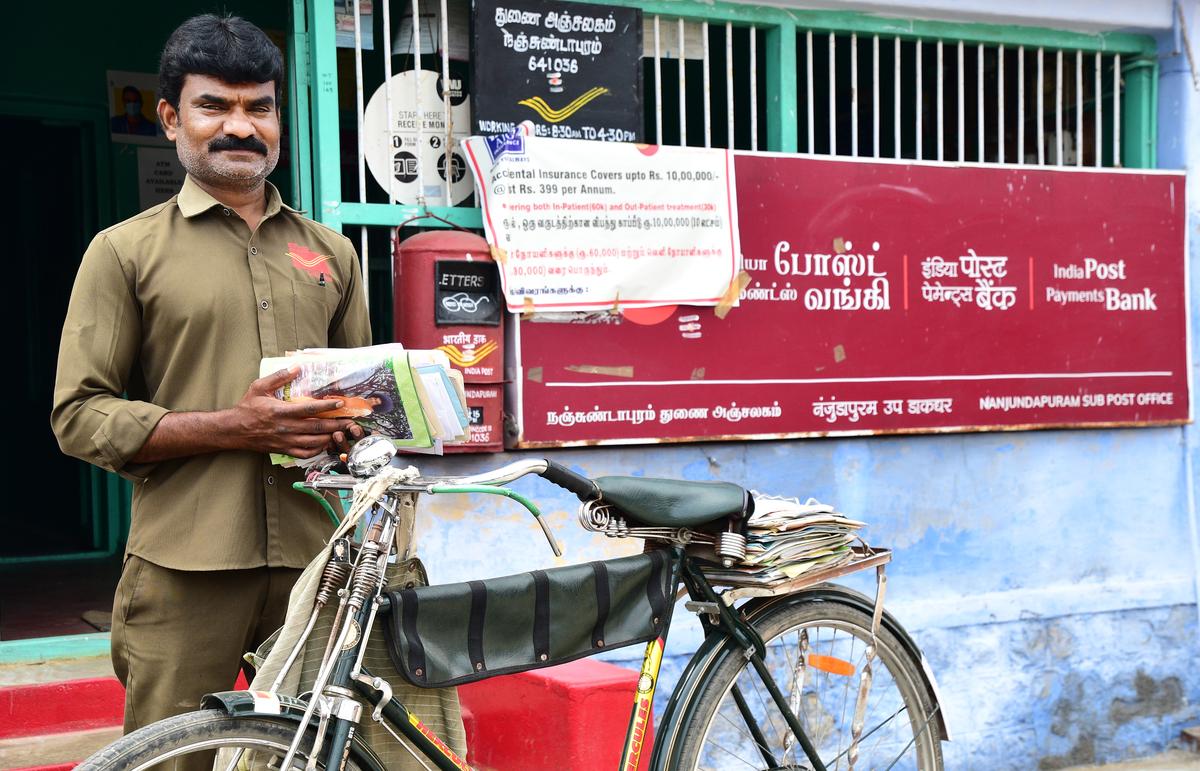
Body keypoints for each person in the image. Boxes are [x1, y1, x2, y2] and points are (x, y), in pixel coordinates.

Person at [52, 14, 371, 736]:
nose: (241, 126)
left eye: (259, 107)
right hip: (183, 567)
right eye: (214, 106)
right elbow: (78, 414)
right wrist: (235, 426)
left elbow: (359, 398)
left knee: (317, 750)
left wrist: (367, 421)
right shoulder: (124, 252)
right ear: (170, 118)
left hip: (319, 565)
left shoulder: (333, 253)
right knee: (174, 755)